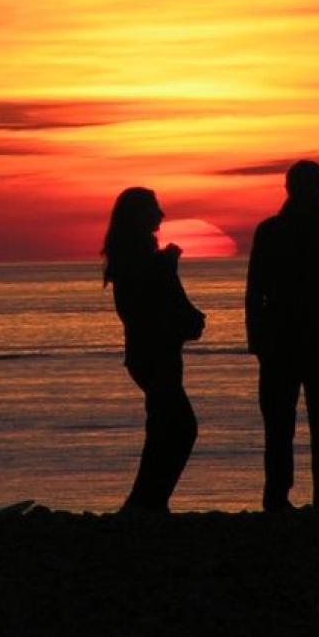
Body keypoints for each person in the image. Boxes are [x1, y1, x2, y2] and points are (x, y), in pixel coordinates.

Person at [245, 160, 319, 512]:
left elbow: (254, 293)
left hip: (297, 340)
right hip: (306, 340)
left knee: (286, 427)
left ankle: (284, 498)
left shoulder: (274, 232)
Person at [102, 187, 206, 513]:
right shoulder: (138, 257)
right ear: (138, 216)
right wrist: (168, 267)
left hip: (150, 353)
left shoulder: (136, 255)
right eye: (154, 209)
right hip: (153, 353)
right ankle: (148, 500)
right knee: (180, 426)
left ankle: (149, 501)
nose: (161, 215)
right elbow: (146, 306)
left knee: (163, 426)